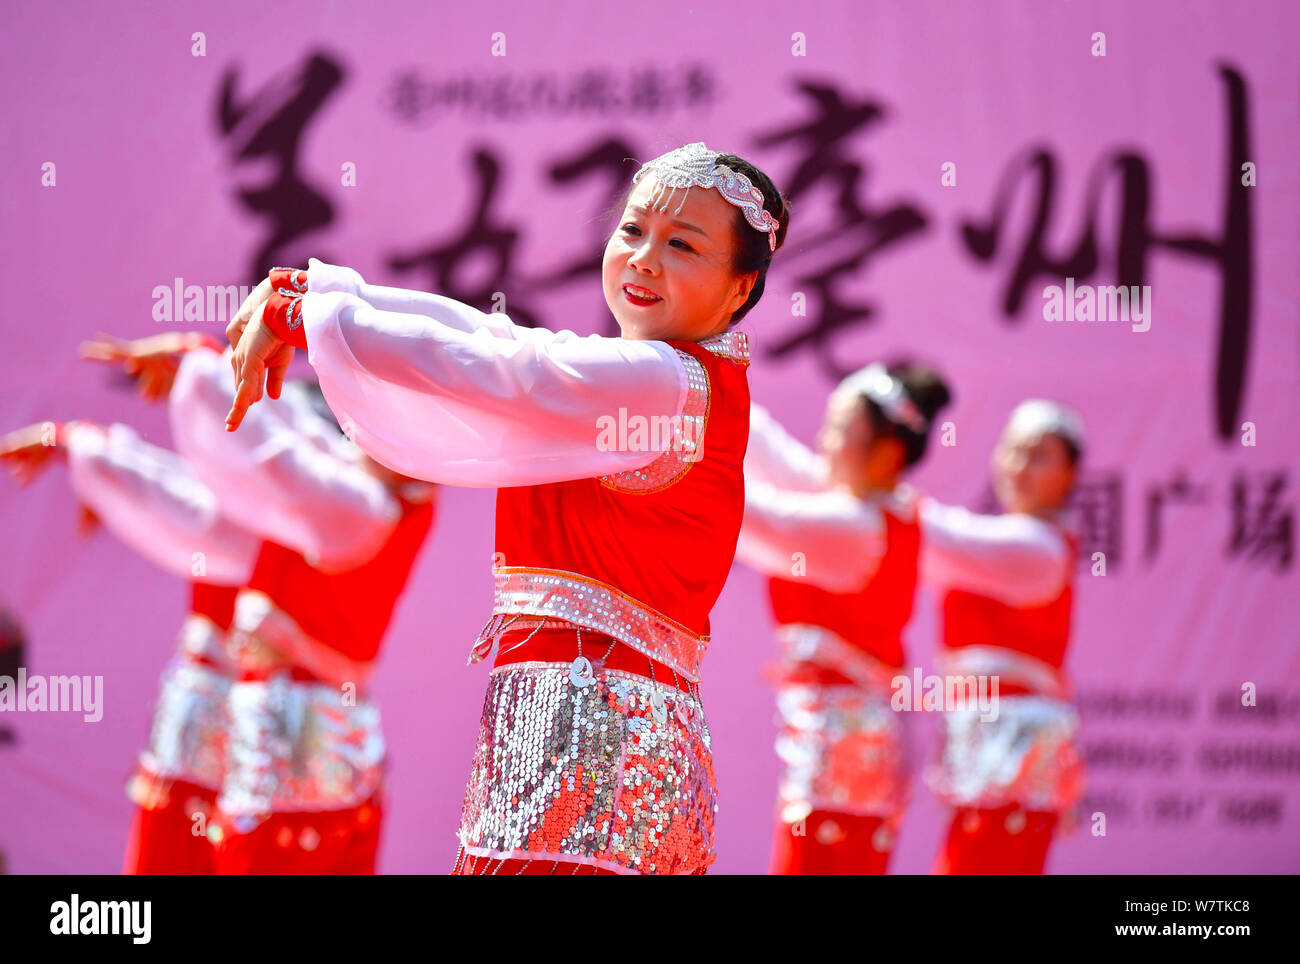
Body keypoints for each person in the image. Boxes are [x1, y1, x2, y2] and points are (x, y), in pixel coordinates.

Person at [222, 141, 791, 874]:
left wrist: (307, 313)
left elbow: (504, 368)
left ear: (740, 288)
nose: (644, 258)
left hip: (597, 756)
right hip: (570, 742)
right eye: (631, 230)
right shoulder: (651, 377)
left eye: (681, 244)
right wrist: (323, 295)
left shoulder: (666, 382)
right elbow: (500, 340)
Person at [164, 336, 437, 874]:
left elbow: (278, 451)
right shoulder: (350, 501)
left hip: (293, 742)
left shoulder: (358, 508)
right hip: (297, 737)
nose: (363, 433)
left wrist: (197, 360)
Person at [0, 330, 261, 874]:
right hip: (222, 732)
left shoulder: (290, 504)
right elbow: (191, 493)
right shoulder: (261, 494)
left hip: (261, 745)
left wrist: (82, 449)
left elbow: (198, 511)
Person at [735, 362, 951, 873]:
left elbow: (750, 515)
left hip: (843, 752)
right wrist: (701, 379)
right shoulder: (874, 507)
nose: (823, 441)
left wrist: (679, 434)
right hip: (848, 744)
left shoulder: (854, 525)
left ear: (886, 452)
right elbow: (768, 448)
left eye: (839, 430)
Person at [920, 400, 1086, 875]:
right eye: (1013, 450)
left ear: (1070, 474)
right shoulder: (998, 542)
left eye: (1038, 455)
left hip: (1017, 758)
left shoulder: (1038, 550)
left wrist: (873, 496)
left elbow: (933, 536)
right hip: (976, 752)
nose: (1019, 466)